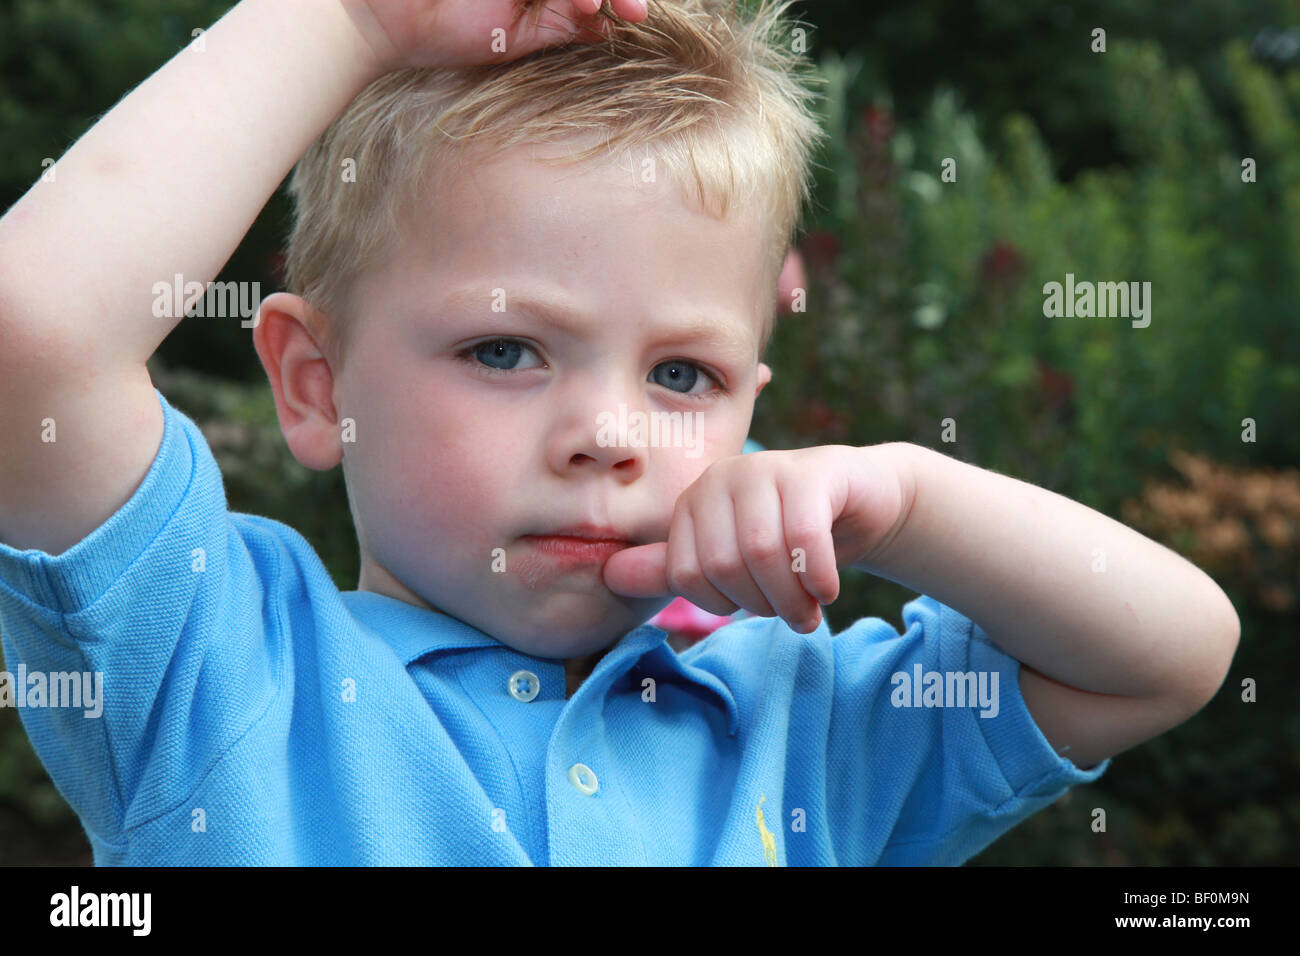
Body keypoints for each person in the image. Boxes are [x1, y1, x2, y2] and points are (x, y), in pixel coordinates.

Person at [0, 0, 1239, 865]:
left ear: (757, 401)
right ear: (318, 386)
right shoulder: (219, 670)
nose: (607, 433)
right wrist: (353, 21)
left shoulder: (796, 726)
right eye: (503, 350)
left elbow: (1168, 652)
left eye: (684, 374)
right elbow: (31, 336)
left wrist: (907, 501)